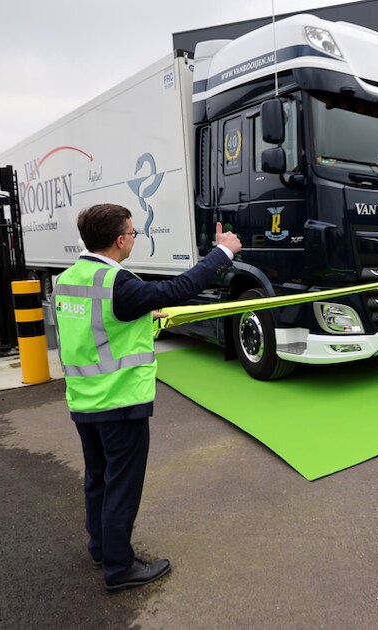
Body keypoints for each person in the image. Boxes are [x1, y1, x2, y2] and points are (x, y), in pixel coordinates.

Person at [54, 203, 241, 591]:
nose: (134, 238)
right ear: (120, 240)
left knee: (98, 479)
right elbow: (178, 289)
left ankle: (101, 548)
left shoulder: (68, 278)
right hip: (119, 402)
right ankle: (119, 568)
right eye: (133, 233)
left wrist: (142, 315)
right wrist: (222, 252)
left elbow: (96, 326)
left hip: (83, 401)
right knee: (122, 485)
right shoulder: (118, 283)